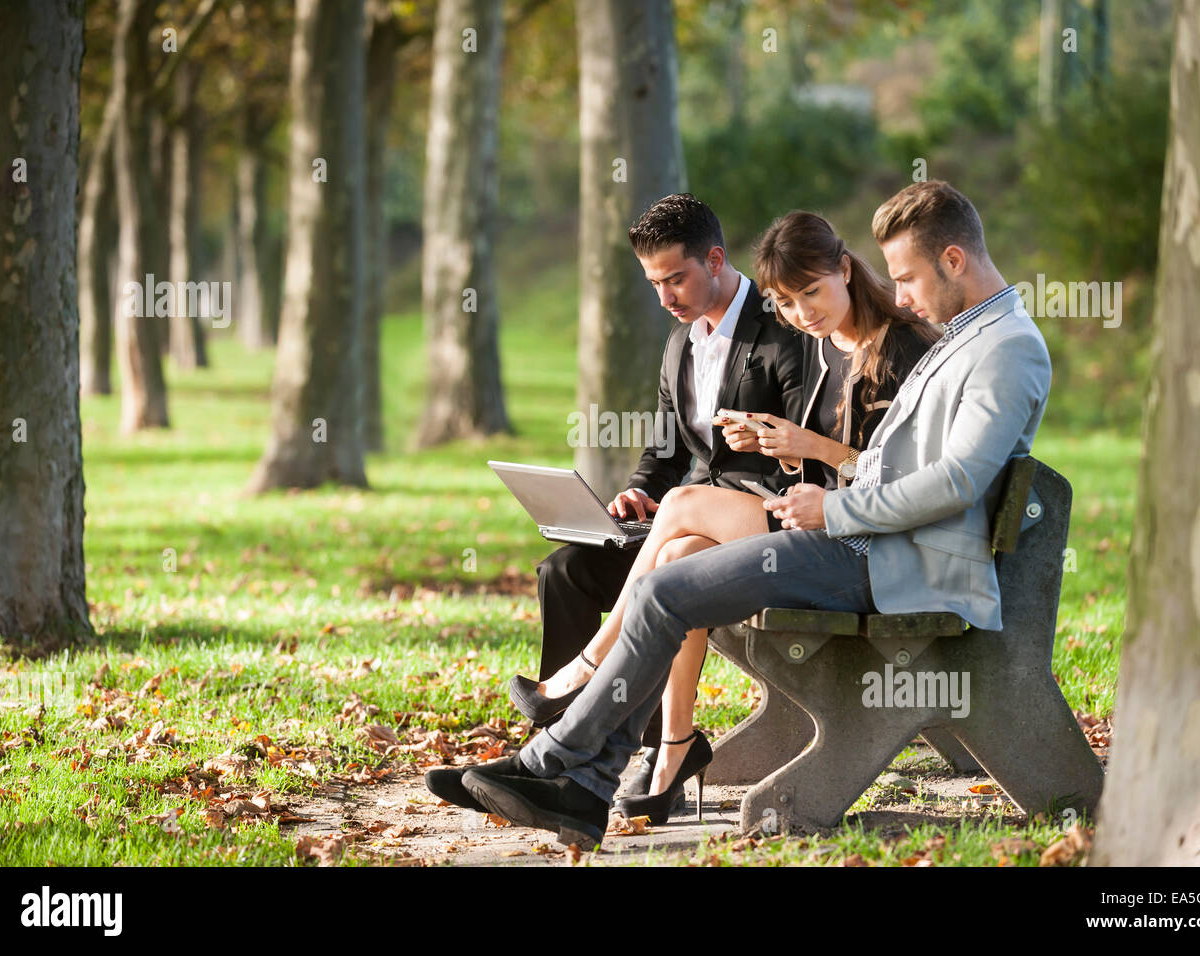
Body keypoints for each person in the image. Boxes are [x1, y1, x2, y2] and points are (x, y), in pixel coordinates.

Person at [453, 180, 1053, 849]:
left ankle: (565, 772)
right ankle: (575, 776)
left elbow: (959, 483)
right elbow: (901, 463)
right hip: (866, 542)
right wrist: (838, 492)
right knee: (662, 583)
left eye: (908, 277)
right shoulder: (965, 336)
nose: (902, 296)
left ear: (953, 260)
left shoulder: (1007, 347)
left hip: (893, 562)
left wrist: (836, 505)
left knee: (666, 587)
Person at [496, 211, 940, 824]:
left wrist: (794, 447)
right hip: (780, 519)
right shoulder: (801, 340)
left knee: (680, 510)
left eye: (809, 293)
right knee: (638, 560)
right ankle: (672, 748)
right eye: (788, 301)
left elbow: (874, 473)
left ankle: (586, 673)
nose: (801, 311)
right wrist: (638, 493)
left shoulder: (837, 343)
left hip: (823, 530)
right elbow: (667, 451)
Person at [427, 194, 806, 812]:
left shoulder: (784, 329)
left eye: (675, 279)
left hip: (755, 527)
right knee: (567, 571)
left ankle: (589, 732)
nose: (665, 298)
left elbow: (803, 455)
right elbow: (665, 454)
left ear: (715, 260)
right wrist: (638, 493)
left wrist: (705, 492)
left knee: (675, 563)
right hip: (682, 516)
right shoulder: (681, 346)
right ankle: (554, 750)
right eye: (654, 283)